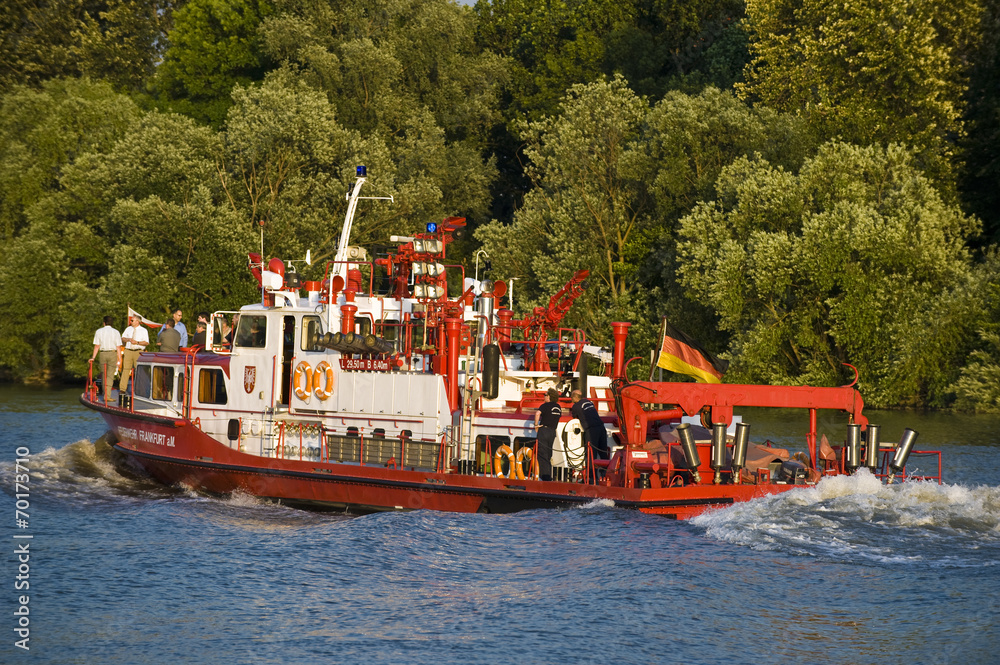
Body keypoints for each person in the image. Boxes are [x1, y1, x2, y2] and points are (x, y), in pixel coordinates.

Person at [90, 315, 122, 404]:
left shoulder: (99, 331)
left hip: (103, 353)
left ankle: (105, 393)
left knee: (103, 374)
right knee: (110, 375)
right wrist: (120, 359)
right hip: (112, 353)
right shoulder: (116, 332)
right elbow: (118, 347)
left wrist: (93, 357)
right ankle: (107, 396)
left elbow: (97, 346)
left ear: (104, 323)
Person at [533, 388, 562, 481]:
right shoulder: (558, 407)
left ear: (549, 397)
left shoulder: (545, 405)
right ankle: (549, 475)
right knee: (549, 454)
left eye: (545, 395)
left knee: (542, 454)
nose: (544, 397)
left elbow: (537, 413)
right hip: (552, 432)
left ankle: (545, 477)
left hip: (544, 430)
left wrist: (536, 425)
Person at [571, 389, 608, 460]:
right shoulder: (589, 402)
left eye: (571, 397)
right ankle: (606, 470)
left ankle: (591, 470)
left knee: (591, 453)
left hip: (591, 430)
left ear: (575, 397)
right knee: (603, 452)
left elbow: (575, 416)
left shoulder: (576, 406)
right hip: (601, 427)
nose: (571, 398)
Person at [119, 314, 149, 393]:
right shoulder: (128, 329)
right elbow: (122, 338)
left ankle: (140, 389)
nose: (130, 321)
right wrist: (128, 339)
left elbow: (146, 342)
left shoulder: (143, 330)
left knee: (139, 370)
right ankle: (122, 389)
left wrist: (137, 342)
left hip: (138, 351)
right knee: (125, 369)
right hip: (128, 350)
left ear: (137, 321)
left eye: (132, 320)